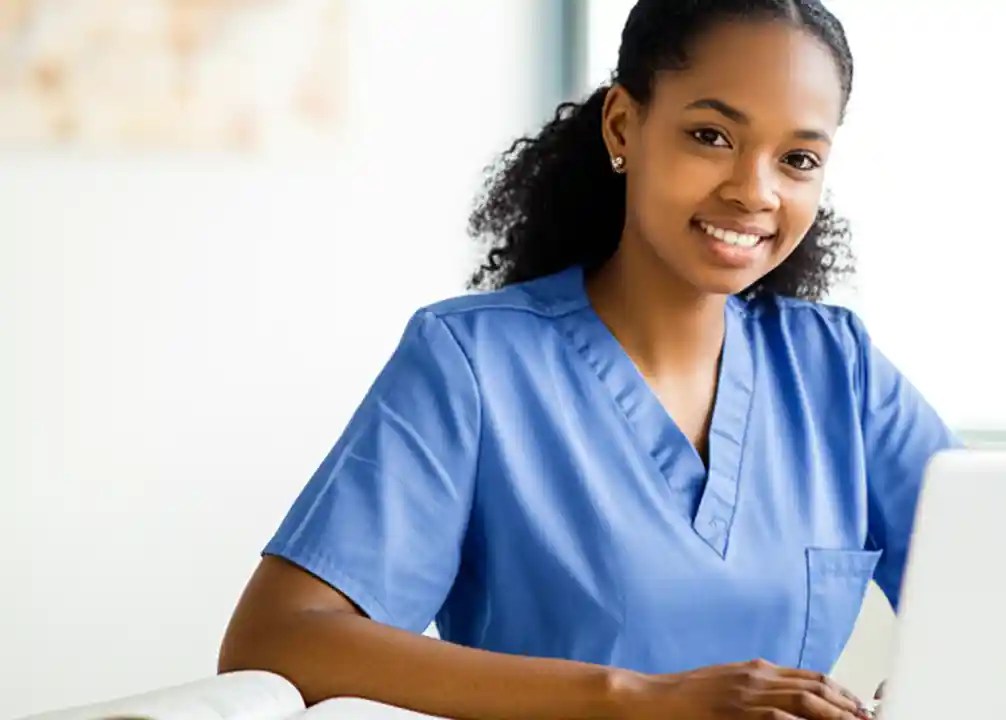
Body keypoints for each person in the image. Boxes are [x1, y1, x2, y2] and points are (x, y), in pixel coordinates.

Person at [218, 1, 959, 718]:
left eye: (797, 158)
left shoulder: (838, 370)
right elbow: (277, 639)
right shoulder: (474, 364)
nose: (753, 191)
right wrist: (637, 700)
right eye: (711, 135)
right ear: (623, 125)